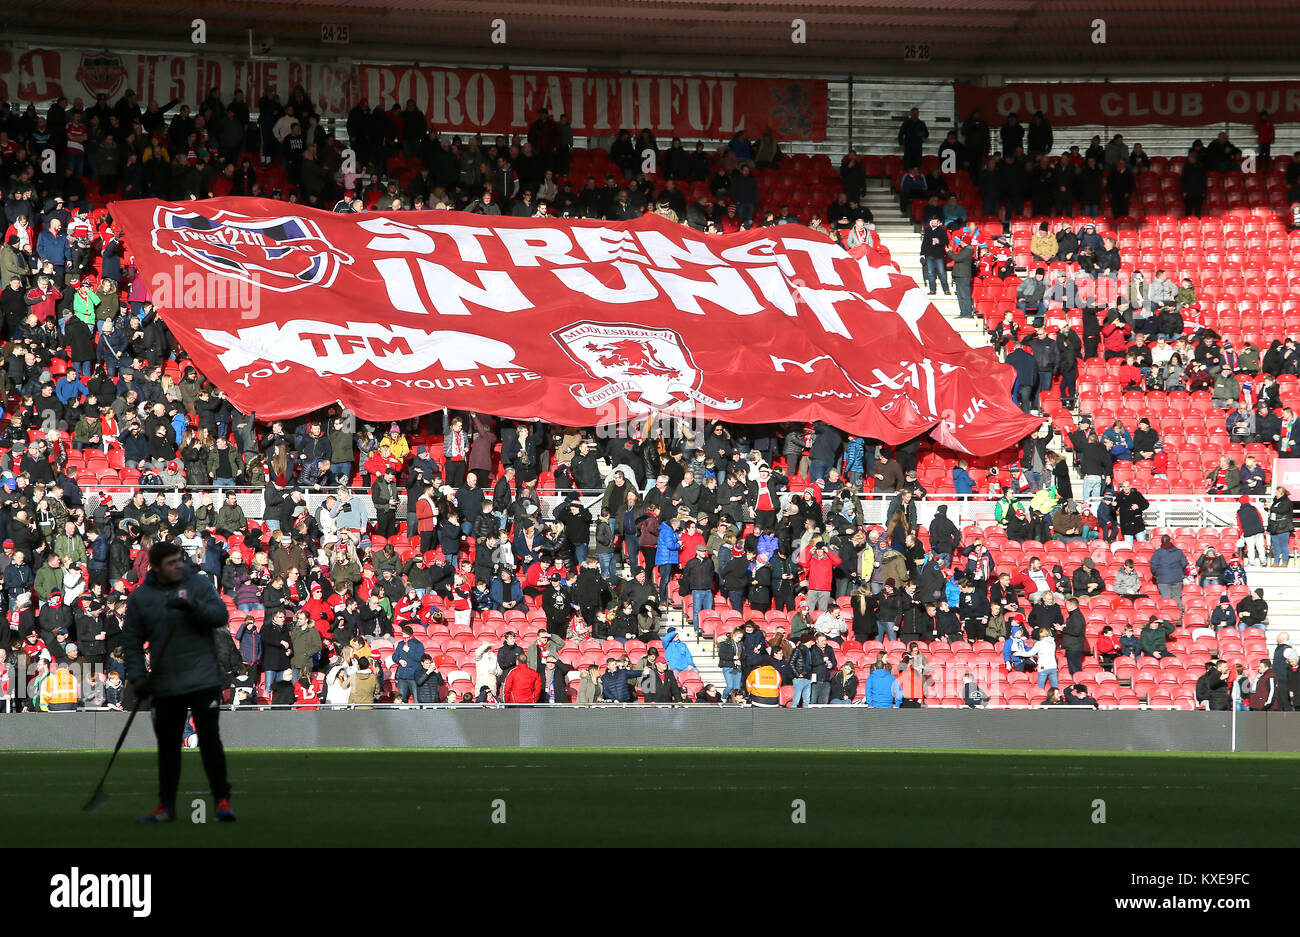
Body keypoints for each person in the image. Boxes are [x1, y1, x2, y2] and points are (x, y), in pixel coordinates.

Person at [123, 541, 235, 823]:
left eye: (179, 560)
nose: (178, 566)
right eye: (171, 562)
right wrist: (138, 677)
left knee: (210, 740)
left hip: (203, 676)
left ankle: (222, 800)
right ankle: (166, 806)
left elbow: (221, 615)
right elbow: (132, 641)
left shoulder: (197, 584)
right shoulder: (142, 597)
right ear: (156, 567)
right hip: (165, 680)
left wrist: (192, 606)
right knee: (168, 745)